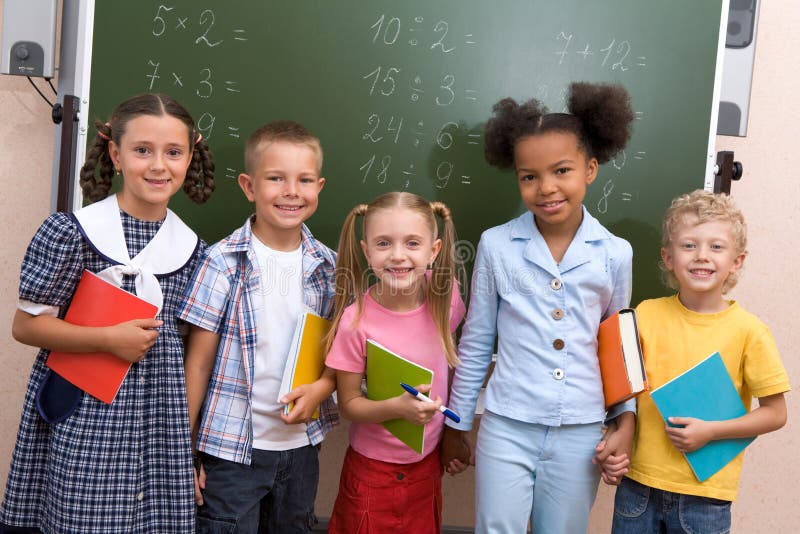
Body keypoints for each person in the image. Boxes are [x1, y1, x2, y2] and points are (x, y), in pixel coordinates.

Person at [0, 93, 215, 533]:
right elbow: (26, 326)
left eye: (173, 152)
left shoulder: (196, 253)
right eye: (142, 150)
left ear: (190, 157)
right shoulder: (72, 233)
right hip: (84, 418)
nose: (159, 165)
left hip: (159, 426)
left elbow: (195, 356)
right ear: (116, 155)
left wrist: (188, 448)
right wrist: (107, 339)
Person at [440, 82, 637, 533]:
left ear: (590, 169)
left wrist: (625, 420)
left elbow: (618, 348)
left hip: (581, 429)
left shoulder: (615, 253)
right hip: (507, 425)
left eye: (562, 170)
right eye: (529, 177)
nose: (546, 188)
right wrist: (456, 424)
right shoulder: (497, 245)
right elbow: (476, 341)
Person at [178, 120, 337, 533]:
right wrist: (184, 452)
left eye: (304, 180)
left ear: (319, 187)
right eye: (276, 178)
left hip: (301, 448)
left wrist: (324, 388)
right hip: (230, 452)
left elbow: (341, 355)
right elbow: (198, 363)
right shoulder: (222, 262)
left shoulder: (330, 268)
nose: (291, 191)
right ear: (249, 186)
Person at [610, 190, 790, 533]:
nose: (702, 256)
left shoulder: (749, 332)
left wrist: (711, 432)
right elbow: (622, 391)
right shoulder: (645, 315)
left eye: (716, 247)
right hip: (639, 485)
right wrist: (614, 435)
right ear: (668, 257)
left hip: (705, 498)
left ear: (737, 261)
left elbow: (776, 413)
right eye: (689, 245)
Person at [324, 191, 466, 533]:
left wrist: (451, 437)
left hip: (427, 467)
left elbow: (450, 365)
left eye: (412, 243)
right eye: (384, 243)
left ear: (434, 250)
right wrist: (397, 409)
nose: (398, 255)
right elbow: (349, 404)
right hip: (371, 472)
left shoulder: (446, 298)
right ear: (367, 251)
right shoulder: (355, 322)